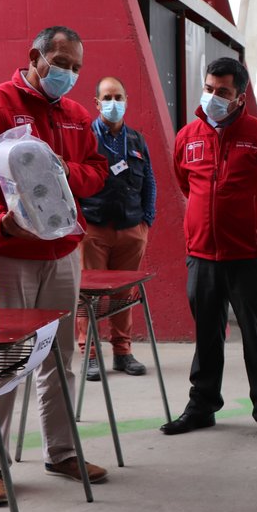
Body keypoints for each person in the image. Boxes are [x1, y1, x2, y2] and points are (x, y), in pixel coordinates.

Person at [0, 26, 111, 505]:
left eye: (77, 67)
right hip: (9, 255)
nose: (69, 74)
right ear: (36, 56)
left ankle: (60, 451)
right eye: (61, 62)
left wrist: (67, 170)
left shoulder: (79, 116)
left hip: (62, 254)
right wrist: (0, 221)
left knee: (60, 358)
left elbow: (97, 172)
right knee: (3, 364)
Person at [164, 57, 257, 446]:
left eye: (223, 92)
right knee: (207, 334)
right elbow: (186, 185)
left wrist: (248, 223)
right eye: (209, 89)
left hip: (249, 256)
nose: (213, 97)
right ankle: (201, 406)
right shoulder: (188, 137)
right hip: (202, 255)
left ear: (240, 96)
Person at [76, 76, 156, 381]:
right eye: (107, 97)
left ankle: (123, 352)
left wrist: (146, 221)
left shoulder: (136, 140)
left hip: (131, 230)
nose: (113, 103)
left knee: (125, 295)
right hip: (94, 230)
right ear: (96, 103)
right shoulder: (85, 138)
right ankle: (90, 355)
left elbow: (149, 179)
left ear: (126, 100)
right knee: (90, 297)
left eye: (118, 97)